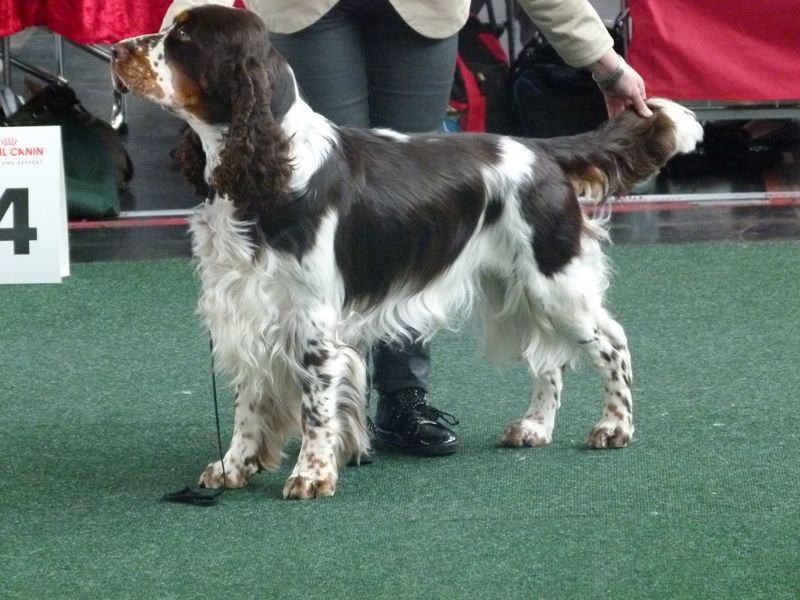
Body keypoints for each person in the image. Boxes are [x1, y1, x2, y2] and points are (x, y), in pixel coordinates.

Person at [160, 0, 652, 457]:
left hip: (421, 11)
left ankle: (403, 402)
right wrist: (172, 40)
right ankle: (337, 425)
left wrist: (604, 63)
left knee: (414, 221)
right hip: (308, 10)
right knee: (326, 229)